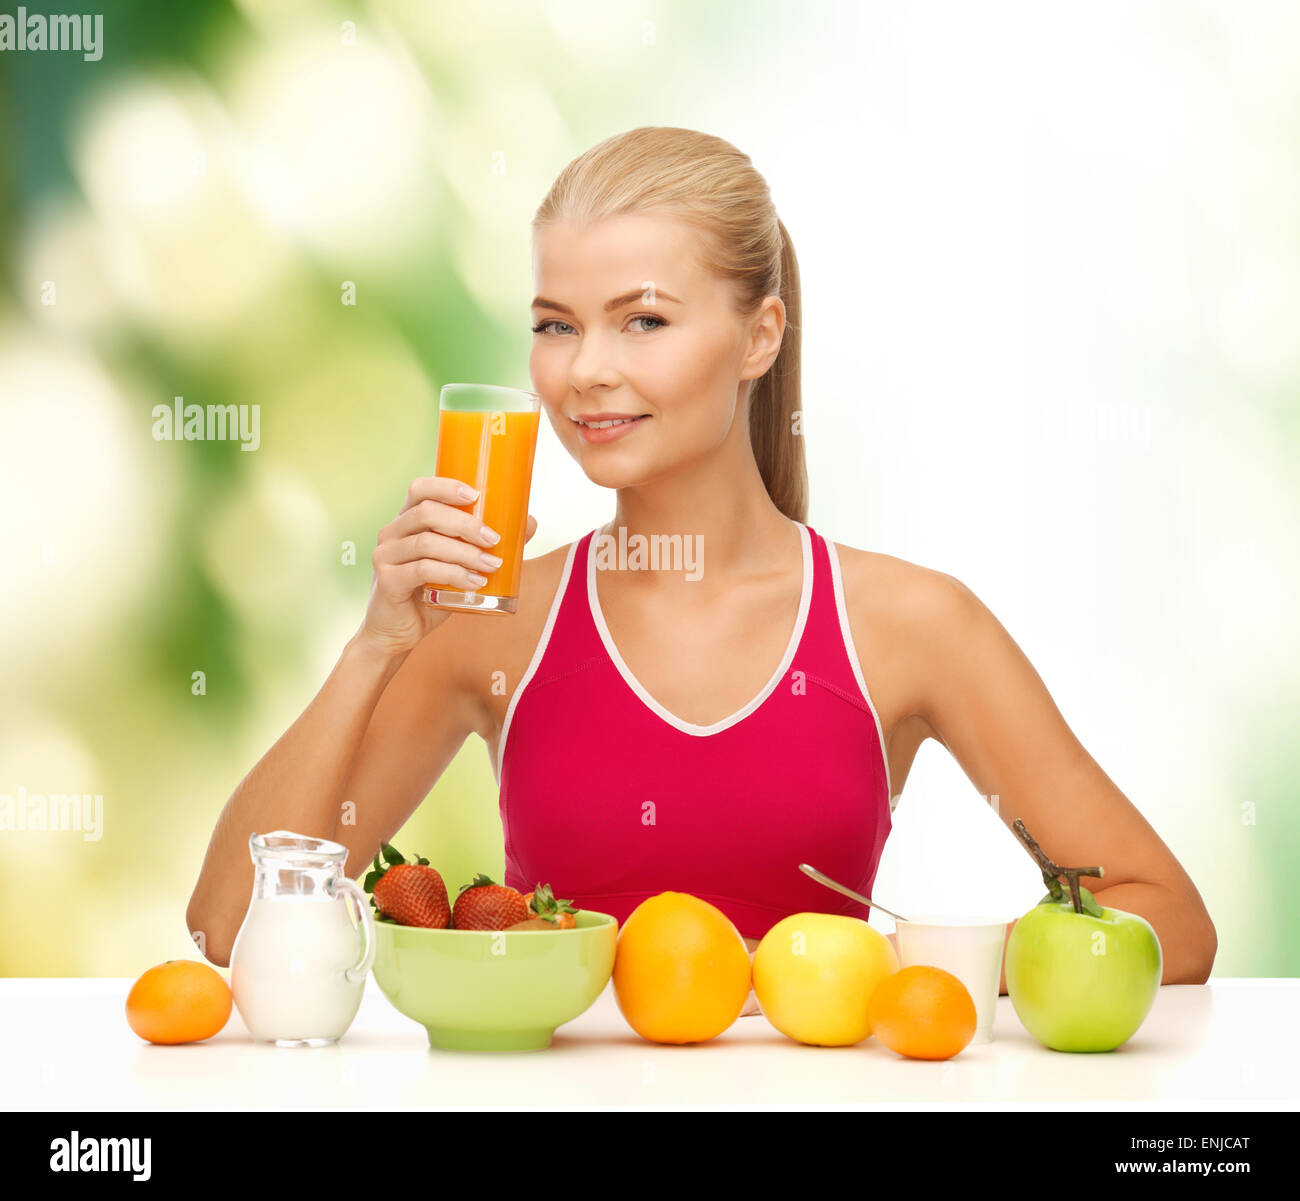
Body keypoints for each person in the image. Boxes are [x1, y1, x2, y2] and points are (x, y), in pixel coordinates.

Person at [188, 127, 1216, 1017]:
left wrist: (917, 976)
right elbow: (229, 922)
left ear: (757, 336)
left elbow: (1164, 915)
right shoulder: (495, 623)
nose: (585, 368)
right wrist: (377, 644)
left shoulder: (908, 624)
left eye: (642, 320)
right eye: (556, 323)